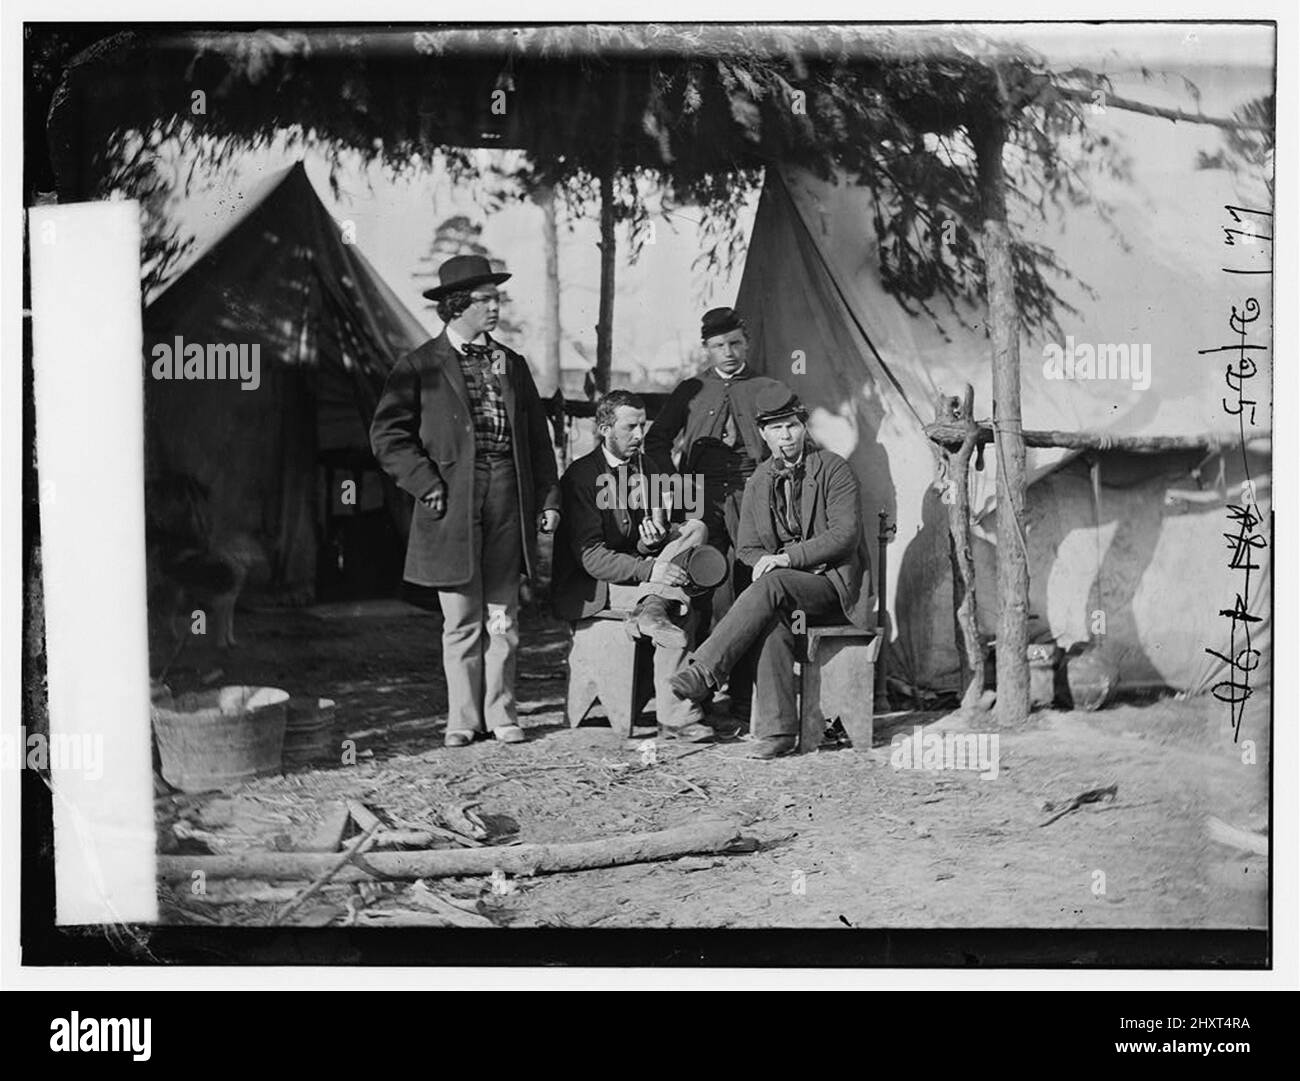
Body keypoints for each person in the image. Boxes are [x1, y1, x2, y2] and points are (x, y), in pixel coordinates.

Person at [370, 254, 560, 748]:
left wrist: (547, 498)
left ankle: (501, 713)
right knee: (460, 618)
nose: (495, 307)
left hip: (506, 494)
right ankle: (462, 718)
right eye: (484, 300)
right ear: (457, 306)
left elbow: (538, 441)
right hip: (449, 500)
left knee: (502, 615)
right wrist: (426, 484)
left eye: (496, 298)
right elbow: (388, 436)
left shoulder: (511, 365)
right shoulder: (419, 365)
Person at [670, 384, 872, 759]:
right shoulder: (759, 480)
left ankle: (704, 671)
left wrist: (785, 559)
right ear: (763, 433)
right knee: (771, 617)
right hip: (786, 595)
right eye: (776, 429)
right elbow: (746, 547)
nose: (786, 436)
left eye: (792, 426)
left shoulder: (833, 468)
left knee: (773, 583)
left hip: (831, 588)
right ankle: (778, 733)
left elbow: (845, 535)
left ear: (804, 425)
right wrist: (767, 561)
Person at [643, 307, 784, 727]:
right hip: (700, 497)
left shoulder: (767, 387)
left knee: (749, 588)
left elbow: (789, 441)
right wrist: (675, 488)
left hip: (751, 494)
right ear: (706, 347)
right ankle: (692, 702)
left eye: (736, 343)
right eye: (719, 345)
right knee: (700, 588)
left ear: (747, 342)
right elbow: (655, 442)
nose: (728, 352)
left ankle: (742, 701)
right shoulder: (691, 389)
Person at [552, 391, 718, 742]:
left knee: (695, 528)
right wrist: (650, 570)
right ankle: (676, 714)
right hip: (591, 585)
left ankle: (653, 607)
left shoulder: (649, 469)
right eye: (631, 427)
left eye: (643, 425)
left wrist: (652, 542)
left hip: (638, 576)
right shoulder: (582, 476)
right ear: (604, 429)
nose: (641, 435)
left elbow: (643, 540)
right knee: (681, 605)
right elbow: (592, 557)